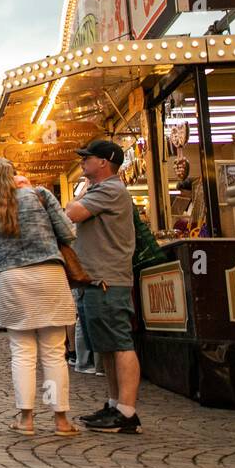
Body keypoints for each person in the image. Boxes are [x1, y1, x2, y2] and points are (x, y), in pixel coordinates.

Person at [0, 158, 81, 437]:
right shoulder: (41, 195)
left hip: (12, 279)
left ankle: (27, 419)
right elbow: (68, 232)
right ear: (17, 174)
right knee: (55, 352)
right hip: (49, 274)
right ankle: (61, 421)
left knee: (22, 353)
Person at [63, 140, 142, 434]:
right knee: (107, 348)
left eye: (88, 158)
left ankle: (127, 412)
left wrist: (78, 196)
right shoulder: (101, 189)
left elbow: (71, 213)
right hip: (97, 279)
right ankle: (114, 404)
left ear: (104, 162)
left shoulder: (110, 189)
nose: (83, 162)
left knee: (119, 344)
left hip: (108, 279)